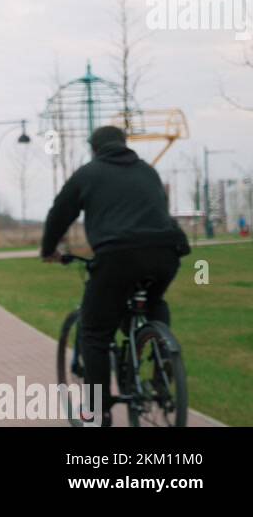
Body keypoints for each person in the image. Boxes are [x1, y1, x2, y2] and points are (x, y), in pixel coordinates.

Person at [40, 126, 191, 426]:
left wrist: (48, 250)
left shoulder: (88, 173)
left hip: (119, 256)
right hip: (166, 252)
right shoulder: (147, 171)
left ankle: (98, 411)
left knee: (95, 332)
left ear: (94, 149)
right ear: (124, 144)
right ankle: (162, 367)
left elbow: (60, 212)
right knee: (153, 300)